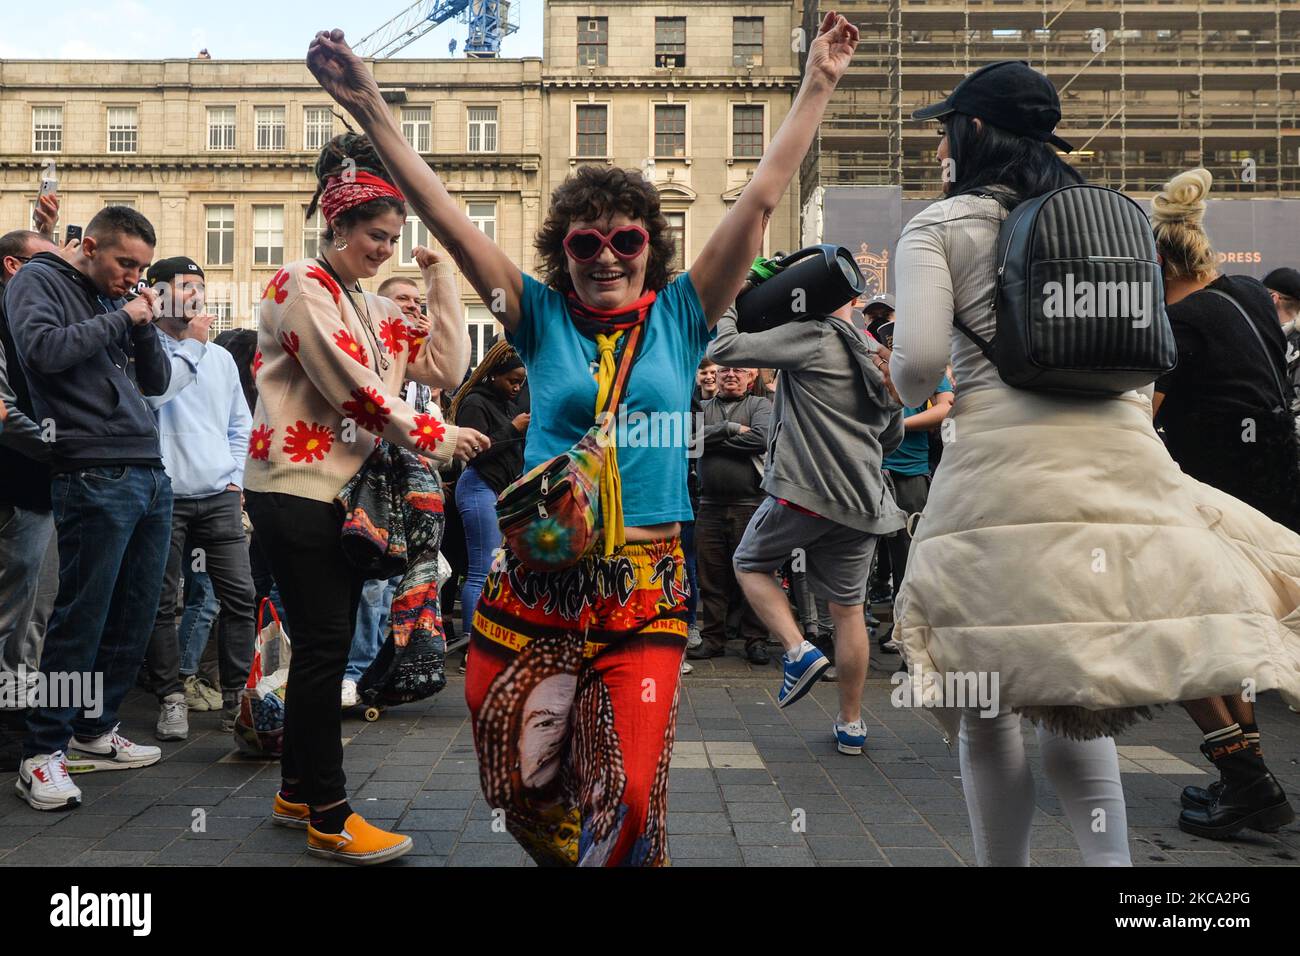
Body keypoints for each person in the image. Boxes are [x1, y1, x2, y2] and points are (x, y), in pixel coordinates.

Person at [306, 12, 859, 865]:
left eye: (625, 240)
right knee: (518, 777)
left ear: (650, 247)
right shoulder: (535, 315)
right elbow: (448, 219)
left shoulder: (684, 313)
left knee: (628, 792)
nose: (606, 257)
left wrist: (816, 83)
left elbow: (758, 199)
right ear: (562, 253)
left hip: (645, 587)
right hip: (535, 584)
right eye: (585, 243)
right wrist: (370, 107)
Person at [890, 61, 1300, 866]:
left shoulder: (942, 225)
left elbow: (920, 364)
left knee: (990, 704)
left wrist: (906, 384)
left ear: (975, 130)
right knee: (1084, 699)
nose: (939, 146)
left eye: (946, 130)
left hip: (999, 478)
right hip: (1118, 469)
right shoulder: (1117, 221)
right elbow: (1145, 362)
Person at [242, 132, 481, 864]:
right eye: (376, 235)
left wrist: (441, 280)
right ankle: (330, 814)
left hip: (338, 495)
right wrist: (436, 436)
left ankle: (296, 791)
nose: (386, 249)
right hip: (294, 487)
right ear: (337, 224)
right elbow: (352, 387)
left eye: (394, 239)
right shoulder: (299, 284)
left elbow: (446, 366)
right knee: (325, 649)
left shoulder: (371, 305)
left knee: (326, 644)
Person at [7, 206, 173, 811]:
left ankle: (93, 728)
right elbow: (42, 350)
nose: (133, 276)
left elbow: (155, 382)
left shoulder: (117, 300)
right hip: (90, 468)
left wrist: (142, 322)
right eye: (124, 263)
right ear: (89, 245)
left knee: (135, 612)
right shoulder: (40, 279)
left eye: (142, 269)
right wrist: (123, 316)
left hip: (147, 467)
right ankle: (41, 754)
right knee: (82, 616)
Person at [1149, 169, 1298, 839]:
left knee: (1173, 631)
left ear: (1158, 263)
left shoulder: (1179, 323)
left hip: (1212, 496)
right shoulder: (1248, 294)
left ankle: (1247, 779)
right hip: (1271, 488)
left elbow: (1136, 421)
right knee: (1228, 637)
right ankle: (1248, 777)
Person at [710, 298, 904, 754]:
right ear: (854, 301)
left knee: (749, 564)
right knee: (848, 610)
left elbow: (726, 349)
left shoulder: (814, 334)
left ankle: (799, 651)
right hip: (863, 501)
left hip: (805, 491)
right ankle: (851, 723)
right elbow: (892, 437)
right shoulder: (878, 354)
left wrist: (733, 301)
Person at [140, 256, 255, 742]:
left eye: (200, 287)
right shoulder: (142, 345)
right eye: (184, 286)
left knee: (240, 598)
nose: (196, 295)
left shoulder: (221, 358)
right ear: (156, 292)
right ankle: (171, 697)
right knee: (161, 602)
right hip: (163, 496)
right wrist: (191, 346)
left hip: (219, 496)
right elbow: (156, 396)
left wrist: (235, 480)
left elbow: (239, 424)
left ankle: (236, 699)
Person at [0, 230, 62, 772]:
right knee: (17, 608)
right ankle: (10, 718)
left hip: (42, 485)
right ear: (13, 266)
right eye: (48, 264)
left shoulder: (33, 319)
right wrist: (61, 445)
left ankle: (20, 710)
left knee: (35, 607)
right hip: (19, 485)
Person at [688, 364, 772, 664]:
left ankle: (756, 640)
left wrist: (711, 442)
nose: (730, 375)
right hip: (708, 506)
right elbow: (689, 441)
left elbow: (761, 438)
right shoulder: (703, 407)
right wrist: (730, 429)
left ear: (751, 376)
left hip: (751, 505)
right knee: (711, 578)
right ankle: (713, 638)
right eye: (725, 370)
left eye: (739, 370)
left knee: (754, 575)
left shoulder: (760, 405)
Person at [450, 340, 528, 643]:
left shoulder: (505, 405)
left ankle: (487, 640)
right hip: (479, 487)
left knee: (497, 570)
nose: (517, 387)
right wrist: (513, 429)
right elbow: (473, 452)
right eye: (512, 380)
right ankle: (473, 642)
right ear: (494, 374)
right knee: (482, 570)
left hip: (498, 492)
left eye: (520, 382)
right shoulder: (475, 403)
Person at [877, 353, 953, 653]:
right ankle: (848, 631)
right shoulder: (864, 355)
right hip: (865, 467)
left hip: (909, 471)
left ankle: (905, 630)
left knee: (909, 558)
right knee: (857, 555)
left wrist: (899, 425)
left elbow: (946, 408)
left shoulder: (927, 363)